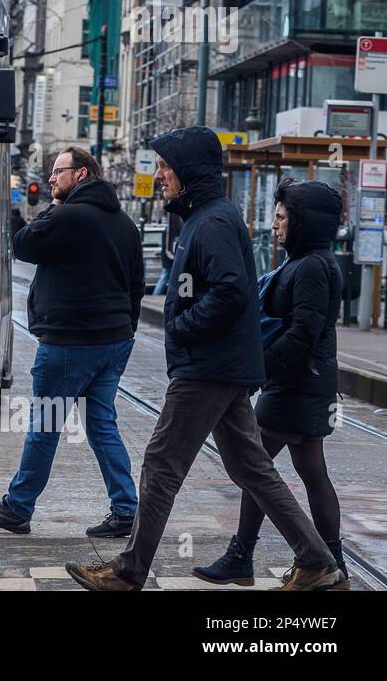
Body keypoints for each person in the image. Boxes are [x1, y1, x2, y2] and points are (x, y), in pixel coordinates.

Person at [66, 125, 344, 591]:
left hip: (208, 366)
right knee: (250, 467)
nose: (158, 175)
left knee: (160, 463)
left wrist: (181, 328)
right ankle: (317, 561)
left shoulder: (212, 221)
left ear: (188, 171)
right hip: (220, 364)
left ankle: (129, 571)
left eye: (165, 167)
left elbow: (231, 291)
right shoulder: (206, 216)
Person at [0, 147, 143, 538]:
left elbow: (24, 245)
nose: (50, 179)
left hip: (69, 343)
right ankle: (126, 509)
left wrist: (39, 210)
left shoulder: (67, 215)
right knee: (101, 425)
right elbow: (136, 286)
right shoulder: (125, 224)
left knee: (45, 425)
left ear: (80, 174)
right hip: (113, 342)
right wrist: (125, 329)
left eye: (57, 172)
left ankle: (18, 507)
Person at [192, 178, 348, 588]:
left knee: (254, 465)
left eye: (281, 217)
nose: (274, 224)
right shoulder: (306, 260)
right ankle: (332, 565)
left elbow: (304, 331)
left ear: (303, 221)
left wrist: (258, 371)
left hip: (294, 387)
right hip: (301, 384)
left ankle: (243, 555)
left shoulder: (313, 266)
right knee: (309, 471)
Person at [151, 212, 182, 296]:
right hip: (168, 259)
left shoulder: (169, 231)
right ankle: (155, 295)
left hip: (167, 259)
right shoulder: (170, 232)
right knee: (165, 278)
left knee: (165, 278)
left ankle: (156, 295)